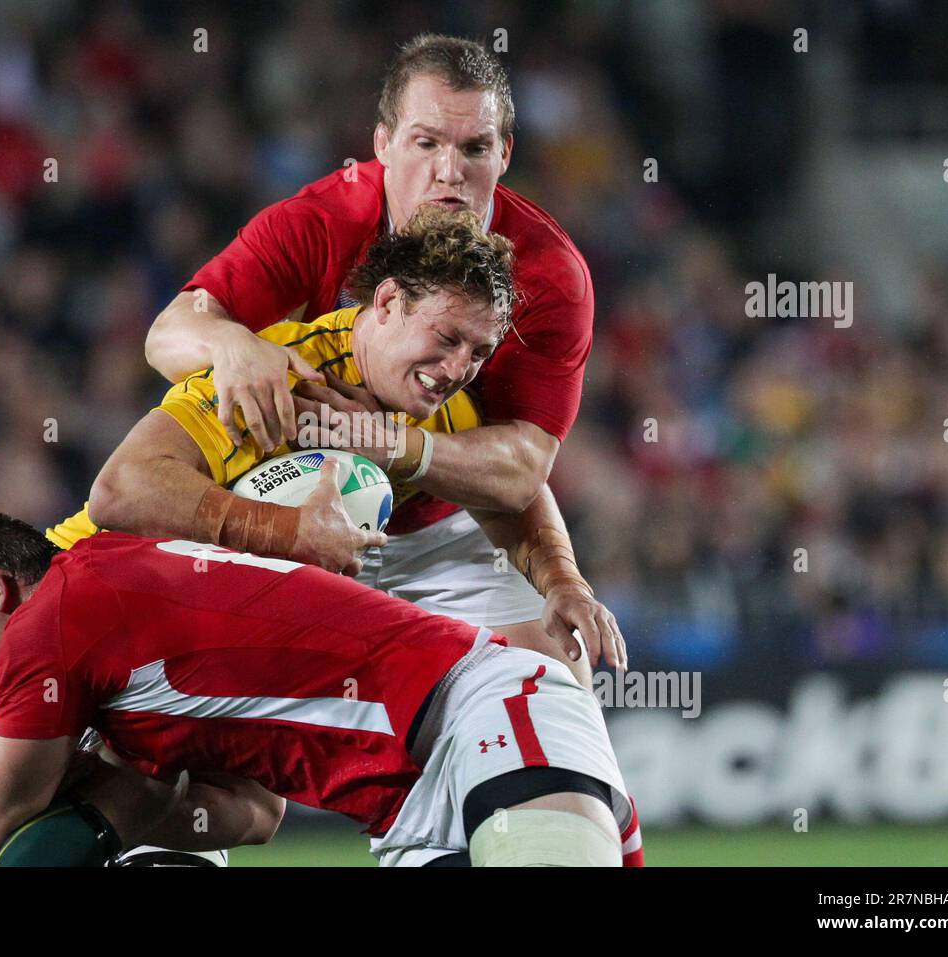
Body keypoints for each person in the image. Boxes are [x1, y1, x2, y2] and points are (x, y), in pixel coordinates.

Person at [142, 33, 628, 711]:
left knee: (563, 703)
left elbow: (522, 468)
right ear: (384, 144)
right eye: (427, 143)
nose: (449, 171)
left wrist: (388, 444)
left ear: (504, 155)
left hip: (445, 526)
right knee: (232, 788)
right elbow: (167, 333)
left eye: (474, 148)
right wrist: (231, 344)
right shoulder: (318, 222)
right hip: (297, 510)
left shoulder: (549, 277)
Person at [0, 509, 633, 867]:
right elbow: (254, 814)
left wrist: (107, 798)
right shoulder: (111, 604)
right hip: (407, 809)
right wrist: (137, 798)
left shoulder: (53, 617)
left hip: (475, 710)